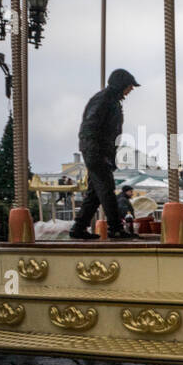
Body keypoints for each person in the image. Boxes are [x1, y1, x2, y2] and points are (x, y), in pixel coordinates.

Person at [69, 68, 141, 240]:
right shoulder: (104, 100)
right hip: (96, 152)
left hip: (99, 152)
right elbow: (90, 127)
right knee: (107, 190)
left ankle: (78, 228)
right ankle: (115, 228)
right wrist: (98, 153)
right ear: (121, 85)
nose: (131, 90)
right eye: (130, 86)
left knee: (95, 194)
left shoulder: (110, 100)